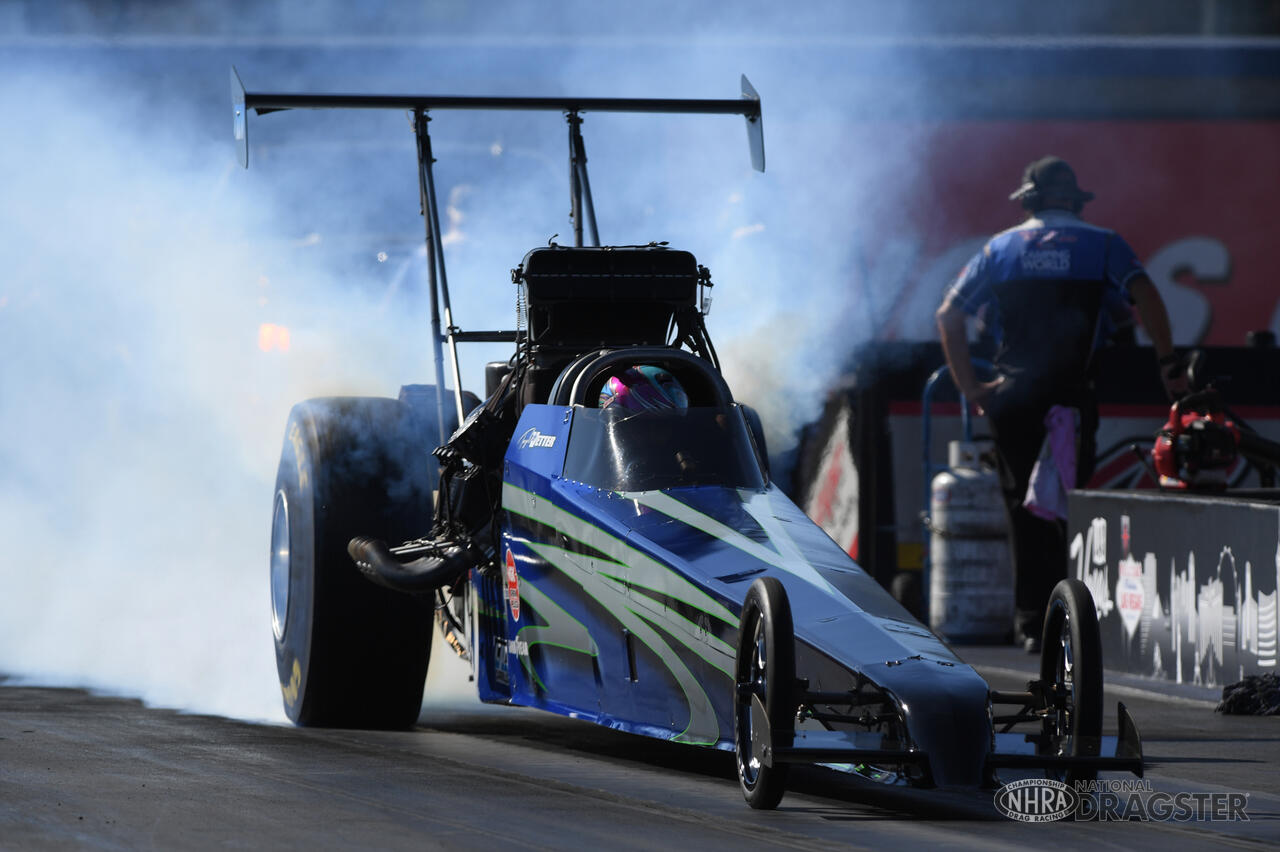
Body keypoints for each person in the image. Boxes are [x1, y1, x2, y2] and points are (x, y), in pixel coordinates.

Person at [935, 155, 1186, 652]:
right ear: (1075, 200)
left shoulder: (1000, 247)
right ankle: (1082, 615)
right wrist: (1168, 361)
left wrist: (970, 387)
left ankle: (1033, 623)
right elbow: (1146, 296)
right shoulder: (1103, 244)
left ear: (1027, 200)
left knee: (1021, 509)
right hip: (1072, 397)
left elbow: (949, 314)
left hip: (1013, 397)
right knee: (1075, 506)